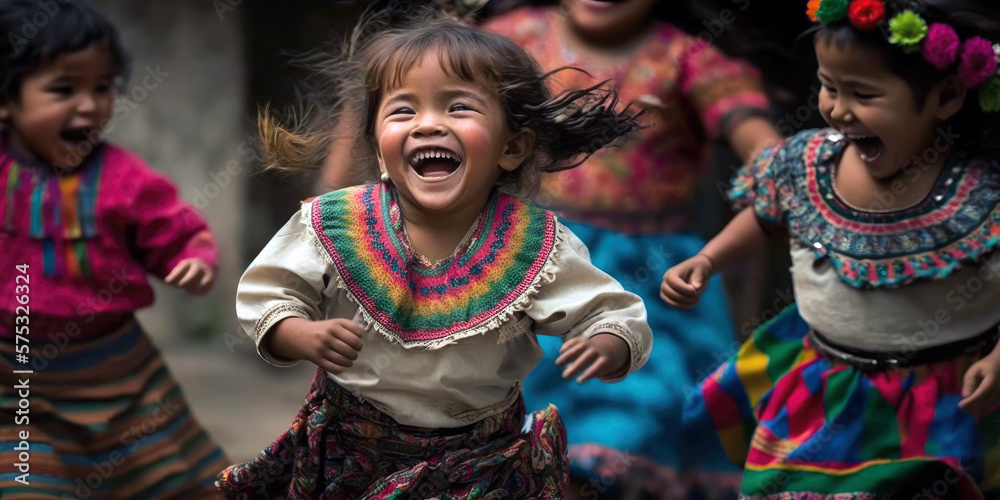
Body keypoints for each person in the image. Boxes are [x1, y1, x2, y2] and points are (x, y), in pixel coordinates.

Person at [217, 10, 653, 499]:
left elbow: (613, 312)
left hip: (482, 464)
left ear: (512, 147)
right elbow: (267, 293)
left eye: (458, 108)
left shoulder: (534, 245)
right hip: (349, 454)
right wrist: (298, 333)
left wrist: (606, 342)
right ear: (380, 152)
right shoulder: (335, 223)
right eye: (403, 111)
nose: (427, 125)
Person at [666, 0, 1000, 497]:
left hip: (945, 400)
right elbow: (765, 214)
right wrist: (709, 258)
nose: (838, 109)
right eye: (828, 86)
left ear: (946, 95)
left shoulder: (983, 194)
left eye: (863, 94)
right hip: (819, 386)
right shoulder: (805, 162)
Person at [480, 0, 781, 497]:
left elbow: (771, 161)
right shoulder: (508, 40)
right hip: (528, 270)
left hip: (650, 289)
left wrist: (800, 173)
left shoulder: (690, 58)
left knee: (628, 433)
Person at [0, 1, 229, 498]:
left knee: (182, 485)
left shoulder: (126, 181)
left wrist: (193, 260)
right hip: (14, 381)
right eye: (64, 89)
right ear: (7, 100)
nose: (89, 105)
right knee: (26, 486)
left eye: (102, 88)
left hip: (122, 378)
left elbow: (180, 232)